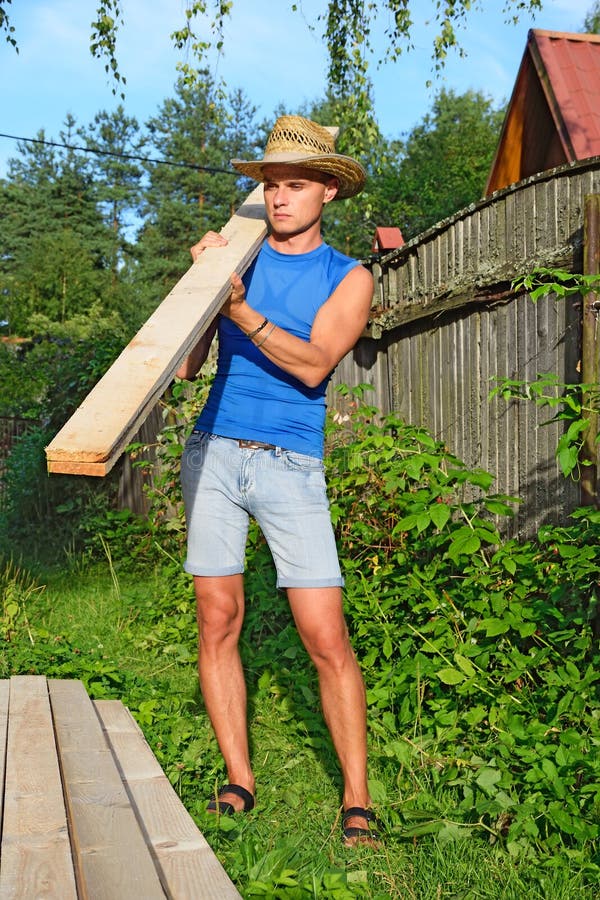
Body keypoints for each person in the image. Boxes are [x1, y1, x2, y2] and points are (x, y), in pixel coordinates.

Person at [176, 115, 378, 847]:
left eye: (294, 185)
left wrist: (241, 310)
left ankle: (356, 799)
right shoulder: (239, 260)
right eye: (270, 185)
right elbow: (190, 366)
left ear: (328, 189)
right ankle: (239, 778)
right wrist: (200, 289)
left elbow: (316, 362)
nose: (279, 198)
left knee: (325, 635)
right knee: (217, 617)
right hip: (215, 452)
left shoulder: (349, 276)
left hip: (292, 463)